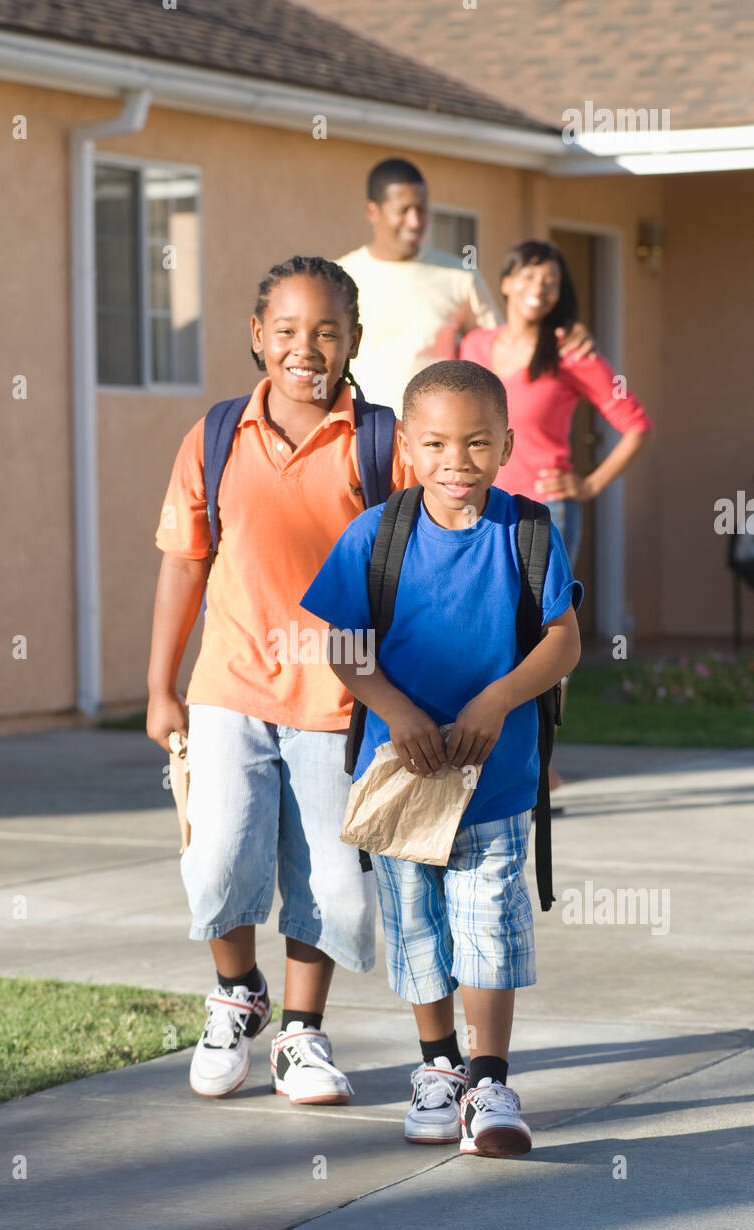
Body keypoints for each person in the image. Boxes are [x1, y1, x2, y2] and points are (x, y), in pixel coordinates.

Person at [300, 359, 583, 1156]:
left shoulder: (527, 532)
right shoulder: (376, 536)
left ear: (505, 446)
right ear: (408, 451)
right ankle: (438, 1068)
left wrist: (496, 700)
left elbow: (563, 641)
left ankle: (490, 1082)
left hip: (493, 782)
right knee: (417, 932)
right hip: (403, 781)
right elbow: (344, 644)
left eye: (477, 444)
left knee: (488, 923)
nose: (456, 461)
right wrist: (393, 709)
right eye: (435, 444)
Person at [146, 255, 409, 1106]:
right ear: (257, 337)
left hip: (340, 703)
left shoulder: (383, 443)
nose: (307, 348)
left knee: (331, 886)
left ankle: (300, 1033)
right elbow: (185, 566)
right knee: (219, 862)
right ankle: (236, 994)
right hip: (228, 687)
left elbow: (428, 556)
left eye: (327, 331)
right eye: (288, 331)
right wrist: (160, 686)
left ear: (354, 340)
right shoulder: (216, 435)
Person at [459, 240, 652, 787]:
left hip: (546, 514)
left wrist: (589, 482)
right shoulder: (476, 343)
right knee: (487, 628)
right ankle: (493, 745)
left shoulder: (571, 351)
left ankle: (540, 761)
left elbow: (635, 423)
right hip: (479, 507)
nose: (539, 290)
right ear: (506, 281)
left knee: (547, 635)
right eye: (529, 277)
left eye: (551, 282)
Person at [337, 158, 592, 415]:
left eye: (422, 210)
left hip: (434, 439)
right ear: (373, 212)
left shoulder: (459, 275)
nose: (415, 221)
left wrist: (566, 332)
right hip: (361, 432)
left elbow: (504, 345)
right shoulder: (341, 278)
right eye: (404, 210)